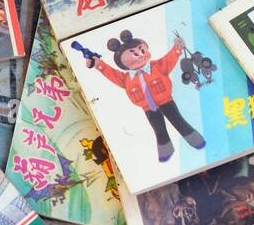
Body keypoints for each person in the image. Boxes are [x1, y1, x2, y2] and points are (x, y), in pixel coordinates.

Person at [83, 29, 205, 163]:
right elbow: (110, 72)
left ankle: (195, 140)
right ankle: (166, 149)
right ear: (121, 61)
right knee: (158, 129)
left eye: (142, 51)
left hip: (166, 101)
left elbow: (169, 59)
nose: (140, 55)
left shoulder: (157, 66)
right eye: (134, 54)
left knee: (178, 121)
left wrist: (177, 47)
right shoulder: (125, 78)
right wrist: (98, 64)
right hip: (148, 107)